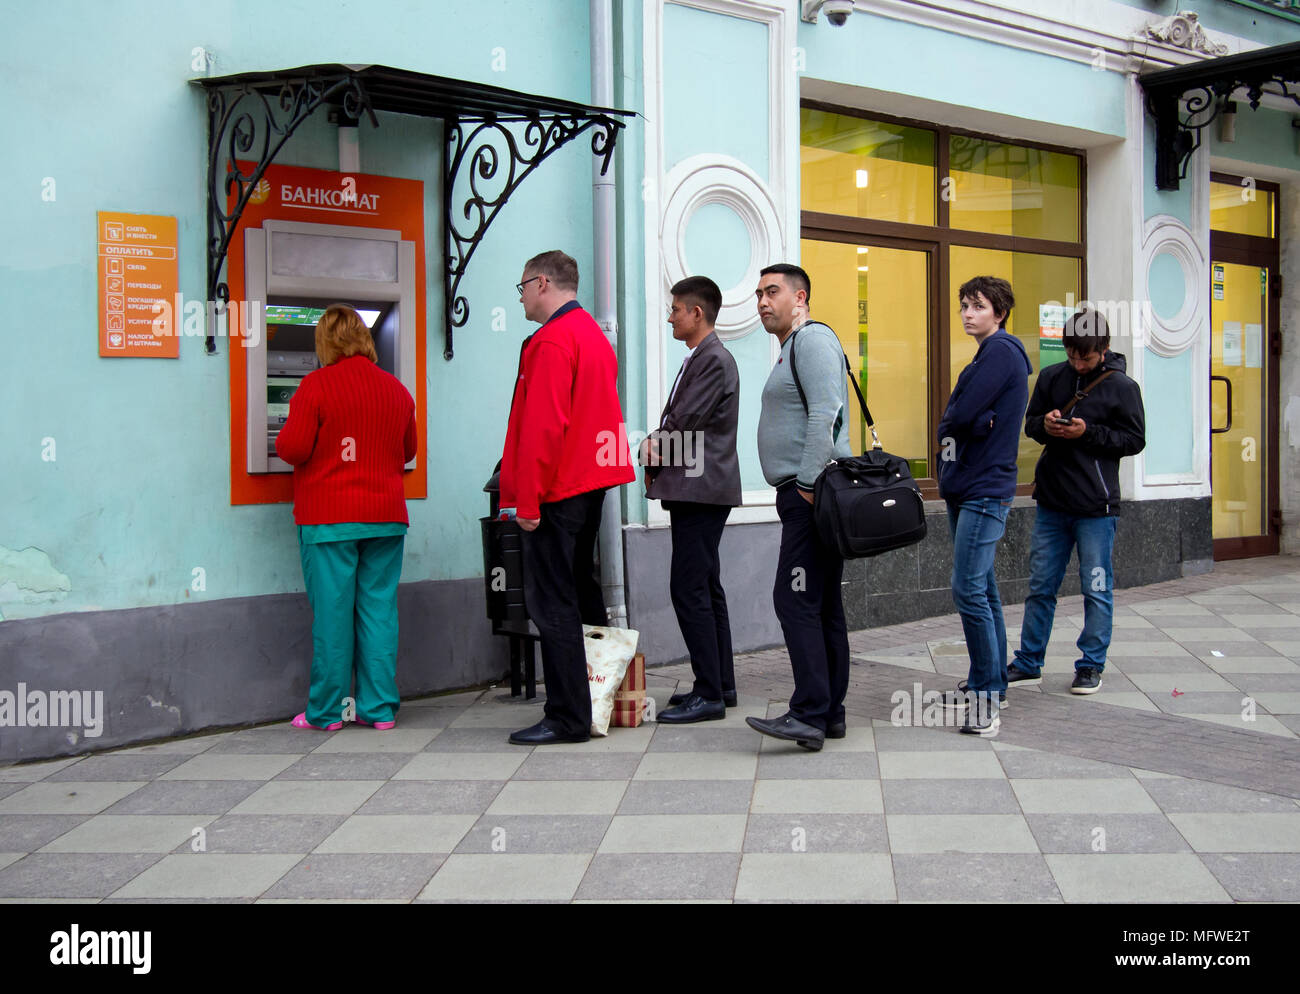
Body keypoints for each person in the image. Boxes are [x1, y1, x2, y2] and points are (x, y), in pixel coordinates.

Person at [500, 250, 635, 745]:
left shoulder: (552, 340)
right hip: (589, 484)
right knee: (580, 592)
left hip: (557, 490)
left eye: (521, 289)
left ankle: (567, 717)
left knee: (551, 603)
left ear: (540, 284)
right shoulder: (594, 337)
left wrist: (528, 501)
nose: (520, 300)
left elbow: (543, 427)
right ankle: (598, 700)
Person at [276, 304, 417, 732]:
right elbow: (407, 453)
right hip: (386, 517)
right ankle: (378, 710)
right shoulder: (396, 389)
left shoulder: (316, 386)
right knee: (378, 612)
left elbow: (291, 448)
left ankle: (328, 713)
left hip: (330, 519)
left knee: (334, 616)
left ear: (325, 343)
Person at [1008, 306, 1146, 695]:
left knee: (1096, 588)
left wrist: (1088, 433)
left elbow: (1134, 440)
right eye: (1071, 354)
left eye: (1084, 356)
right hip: (1052, 502)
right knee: (1040, 586)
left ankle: (1090, 665)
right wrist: (1047, 426)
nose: (1077, 362)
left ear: (1102, 348)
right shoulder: (1052, 377)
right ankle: (1029, 661)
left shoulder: (1123, 387)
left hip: (1096, 508)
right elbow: (1031, 424)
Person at [745, 263, 851, 752]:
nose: (763, 302)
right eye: (759, 294)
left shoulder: (812, 341)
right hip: (806, 495)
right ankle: (828, 713)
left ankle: (809, 712)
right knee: (822, 603)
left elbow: (826, 414)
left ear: (800, 297)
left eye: (772, 292)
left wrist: (807, 484)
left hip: (810, 495)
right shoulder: (792, 347)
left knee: (795, 599)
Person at [641, 276, 742, 723]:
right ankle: (721, 685)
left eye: (676, 309)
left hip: (701, 491)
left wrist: (650, 446)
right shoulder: (703, 358)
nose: (670, 316)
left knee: (688, 588)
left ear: (696, 313)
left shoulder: (713, 360)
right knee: (705, 586)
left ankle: (709, 693)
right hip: (699, 490)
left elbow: (685, 421)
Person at [936, 276, 1032, 736]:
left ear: (999, 311)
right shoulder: (987, 354)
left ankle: (988, 699)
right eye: (963, 306)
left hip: (984, 488)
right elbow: (964, 416)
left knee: (968, 588)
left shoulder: (1002, 352)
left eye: (977, 306)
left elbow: (958, 414)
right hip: (968, 485)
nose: (967, 313)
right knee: (984, 588)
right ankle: (986, 682)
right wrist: (965, 422)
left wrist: (961, 423)